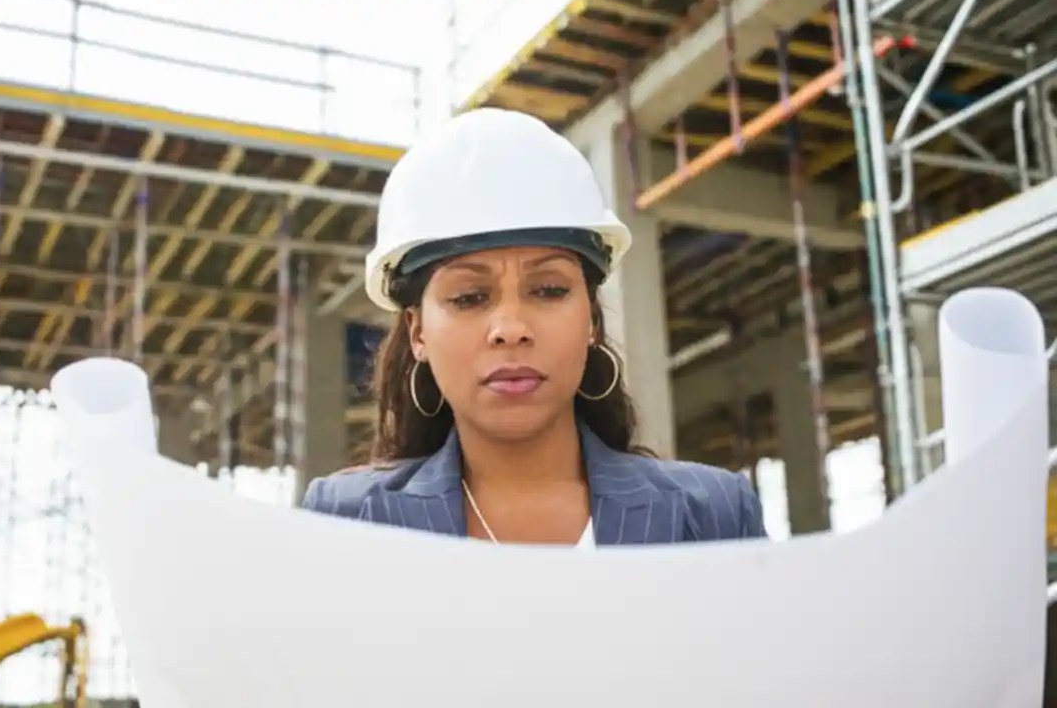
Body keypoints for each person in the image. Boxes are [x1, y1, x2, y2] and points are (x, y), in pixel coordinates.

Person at [301, 108, 766, 546]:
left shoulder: (713, 515)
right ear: (418, 332)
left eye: (548, 290)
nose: (510, 328)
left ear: (591, 318)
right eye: (469, 297)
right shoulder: (349, 524)